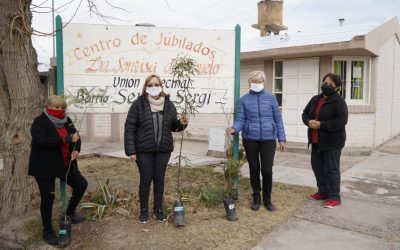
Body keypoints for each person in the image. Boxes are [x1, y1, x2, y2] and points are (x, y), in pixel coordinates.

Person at [124, 74, 188, 224]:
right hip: (143, 150)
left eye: (156, 84)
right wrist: (131, 150)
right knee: (146, 179)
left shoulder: (169, 104)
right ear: (146, 87)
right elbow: (129, 127)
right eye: (151, 84)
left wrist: (182, 123)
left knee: (159, 180)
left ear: (161, 86)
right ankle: (144, 211)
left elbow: (173, 126)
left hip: (163, 150)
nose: (154, 87)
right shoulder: (138, 104)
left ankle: (158, 210)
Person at [28, 95, 88, 246]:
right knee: (48, 199)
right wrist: (65, 140)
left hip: (65, 164)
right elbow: (41, 141)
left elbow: (76, 137)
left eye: (62, 108)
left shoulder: (66, 120)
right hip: (44, 166)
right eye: (56, 107)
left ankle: (69, 214)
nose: (59, 110)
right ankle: (47, 230)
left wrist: (77, 150)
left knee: (81, 185)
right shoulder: (40, 121)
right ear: (48, 106)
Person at [227, 71, 286, 212]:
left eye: (260, 81)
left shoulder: (271, 99)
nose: (257, 84)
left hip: (268, 140)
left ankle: (267, 199)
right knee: (254, 169)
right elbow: (240, 119)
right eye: (255, 81)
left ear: (264, 82)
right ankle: (256, 198)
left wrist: (282, 138)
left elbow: (278, 120)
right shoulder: (244, 100)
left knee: (267, 170)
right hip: (250, 139)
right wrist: (234, 128)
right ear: (250, 82)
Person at [302, 73, 348, 208]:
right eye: (325, 83)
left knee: (331, 169)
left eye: (331, 85)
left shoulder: (339, 102)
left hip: (332, 142)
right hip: (316, 141)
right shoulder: (315, 99)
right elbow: (304, 113)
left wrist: (322, 125)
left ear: (337, 87)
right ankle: (323, 191)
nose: (327, 86)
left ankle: (334, 196)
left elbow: (341, 121)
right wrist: (308, 121)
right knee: (317, 167)